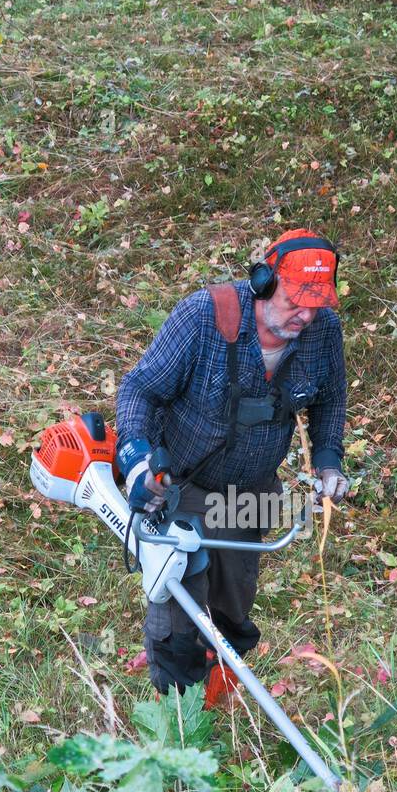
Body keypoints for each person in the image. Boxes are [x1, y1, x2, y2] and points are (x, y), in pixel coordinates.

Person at [115, 229, 348, 705]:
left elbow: (331, 399)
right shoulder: (206, 317)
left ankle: (220, 693)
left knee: (233, 605)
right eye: (295, 301)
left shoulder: (322, 331)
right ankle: (177, 713)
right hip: (181, 485)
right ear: (264, 283)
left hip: (250, 494)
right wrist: (137, 462)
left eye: (317, 302)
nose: (305, 314)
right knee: (181, 601)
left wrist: (327, 460)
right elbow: (140, 390)